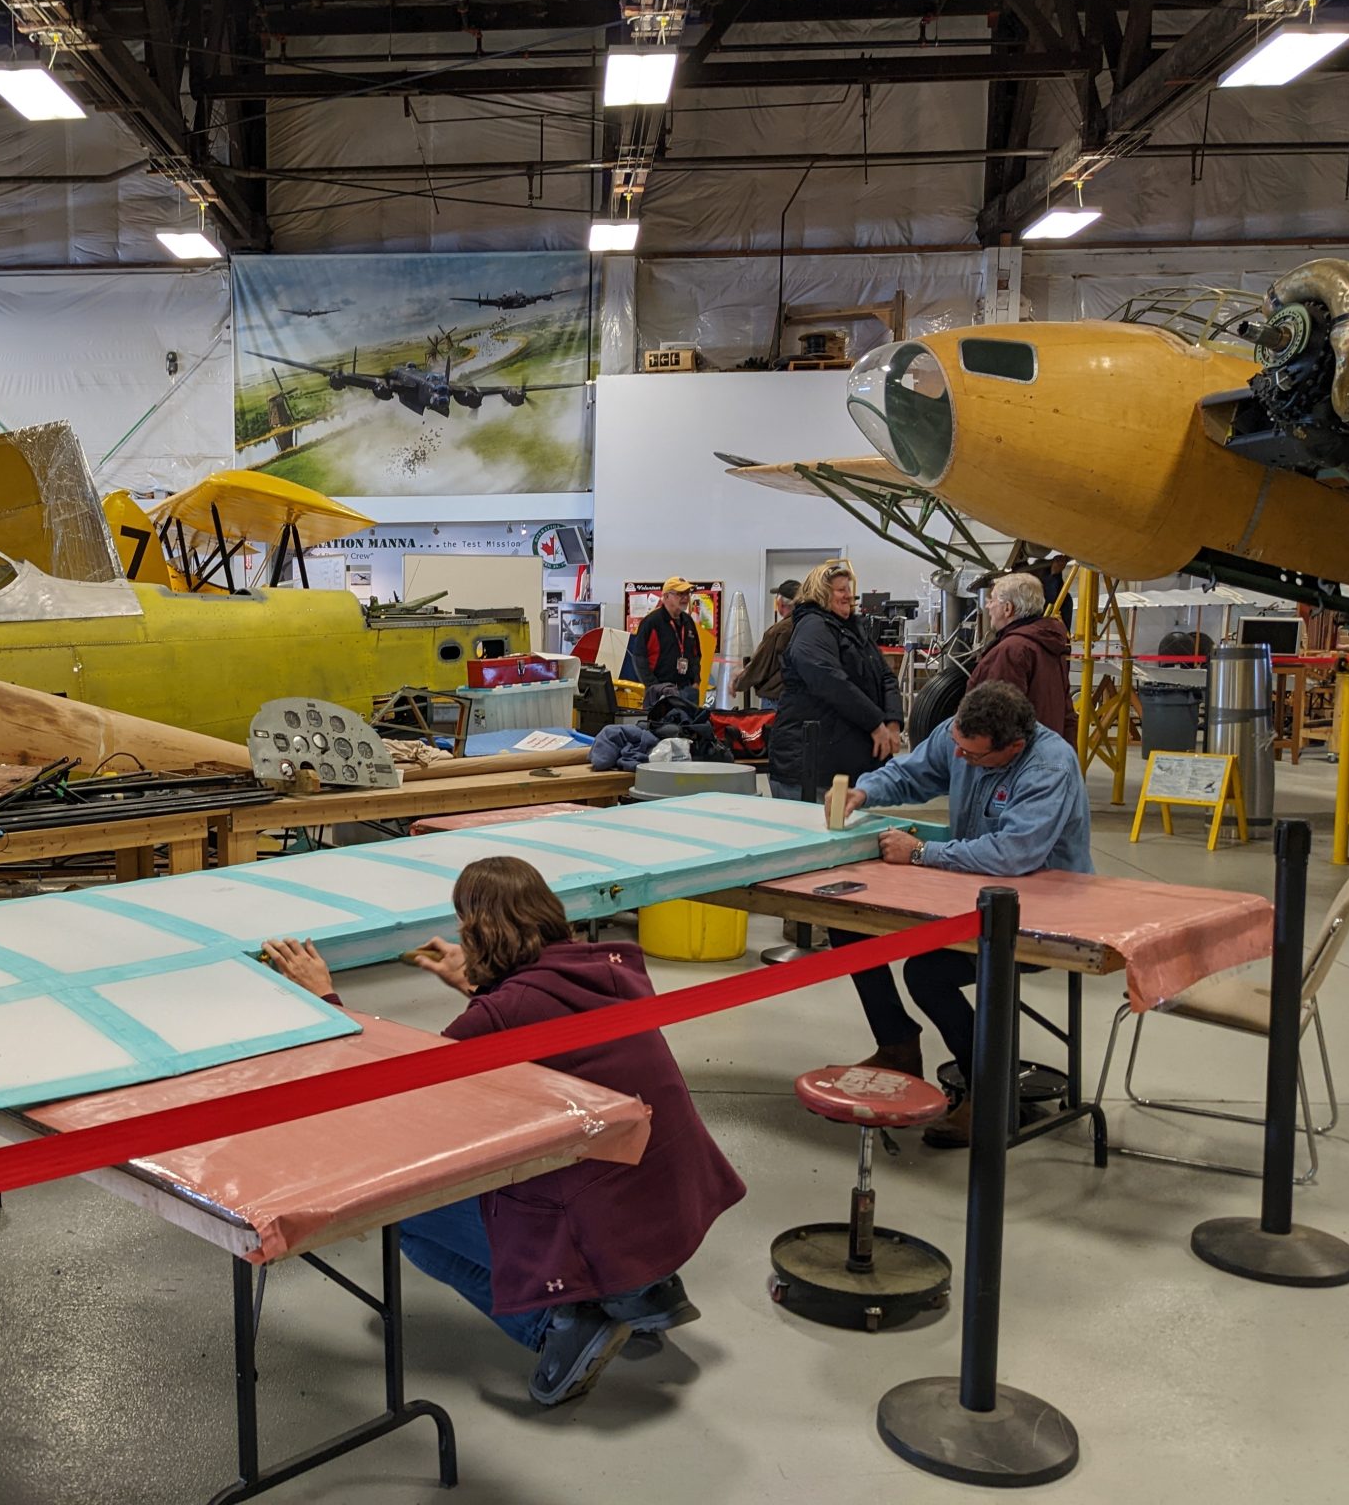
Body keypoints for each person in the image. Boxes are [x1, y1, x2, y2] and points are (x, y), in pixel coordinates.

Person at [262, 857, 744, 1407]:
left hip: (606, 1224)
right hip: (671, 1212)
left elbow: (393, 1094)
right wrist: (479, 985)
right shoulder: (612, 968)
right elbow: (533, 1019)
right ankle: (641, 1291)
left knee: (408, 1218)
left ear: (475, 932)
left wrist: (323, 999)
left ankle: (559, 1323)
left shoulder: (500, 1016)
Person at [828, 680, 1092, 1146]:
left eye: (976, 757)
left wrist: (921, 853)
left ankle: (993, 1095)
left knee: (928, 974)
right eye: (959, 750)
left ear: (1014, 746)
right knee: (848, 925)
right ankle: (897, 1049)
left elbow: (1014, 854)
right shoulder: (959, 735)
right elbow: (911, 772)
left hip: (1039, 915)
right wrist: (864, 793)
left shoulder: (1049, 767)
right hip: (967, 895)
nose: (963, 760)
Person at [768, 559, 904, 801]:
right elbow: (830, 682)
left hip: (845, 765)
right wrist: (875, 723)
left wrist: (893, 721)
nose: (848, 596)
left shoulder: (854, 628)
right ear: (821, 592)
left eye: (849, 589)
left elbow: (885, 675)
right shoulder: (813, 627)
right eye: (841, 590)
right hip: (811, 768)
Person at [968, 571, 1077, 743]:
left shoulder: (1012, 651)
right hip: (1045, 752)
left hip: (1016, 761)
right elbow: (1067, 714)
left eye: (993, 600)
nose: (988, 606)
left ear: (1007, 608)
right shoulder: (1049, 644)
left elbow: (996, 718)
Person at [633, 576, 704, 705]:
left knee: (689, 725)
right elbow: (639, 657)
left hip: (687, 691)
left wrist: (696, 681)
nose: (685, 597)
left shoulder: (688, 622)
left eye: (687, 593)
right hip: (660, 692)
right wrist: (653, 686)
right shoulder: (651, 622)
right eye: (680, 594)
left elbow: (696, 655)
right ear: (665, 597)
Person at [734, 578, 801, 709]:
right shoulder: (809, 625)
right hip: (802, 698)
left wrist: (738, 682)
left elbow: (759, 665)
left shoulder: (778, 631)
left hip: (777, 699)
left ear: (780, 603)